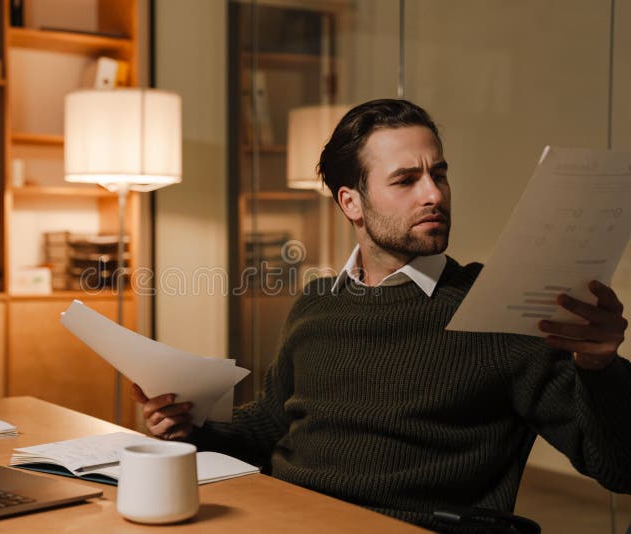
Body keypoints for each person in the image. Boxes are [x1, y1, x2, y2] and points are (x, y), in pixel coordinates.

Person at [131, 99, 631, 531]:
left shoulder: (497, 309)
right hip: (286, 516)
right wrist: (189, 427)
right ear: (352, 202)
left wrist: (600, 367)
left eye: (439, 174)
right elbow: (271, 425)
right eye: (406, 180)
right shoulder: (318, 303)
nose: (433, 193)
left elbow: (620, 467)